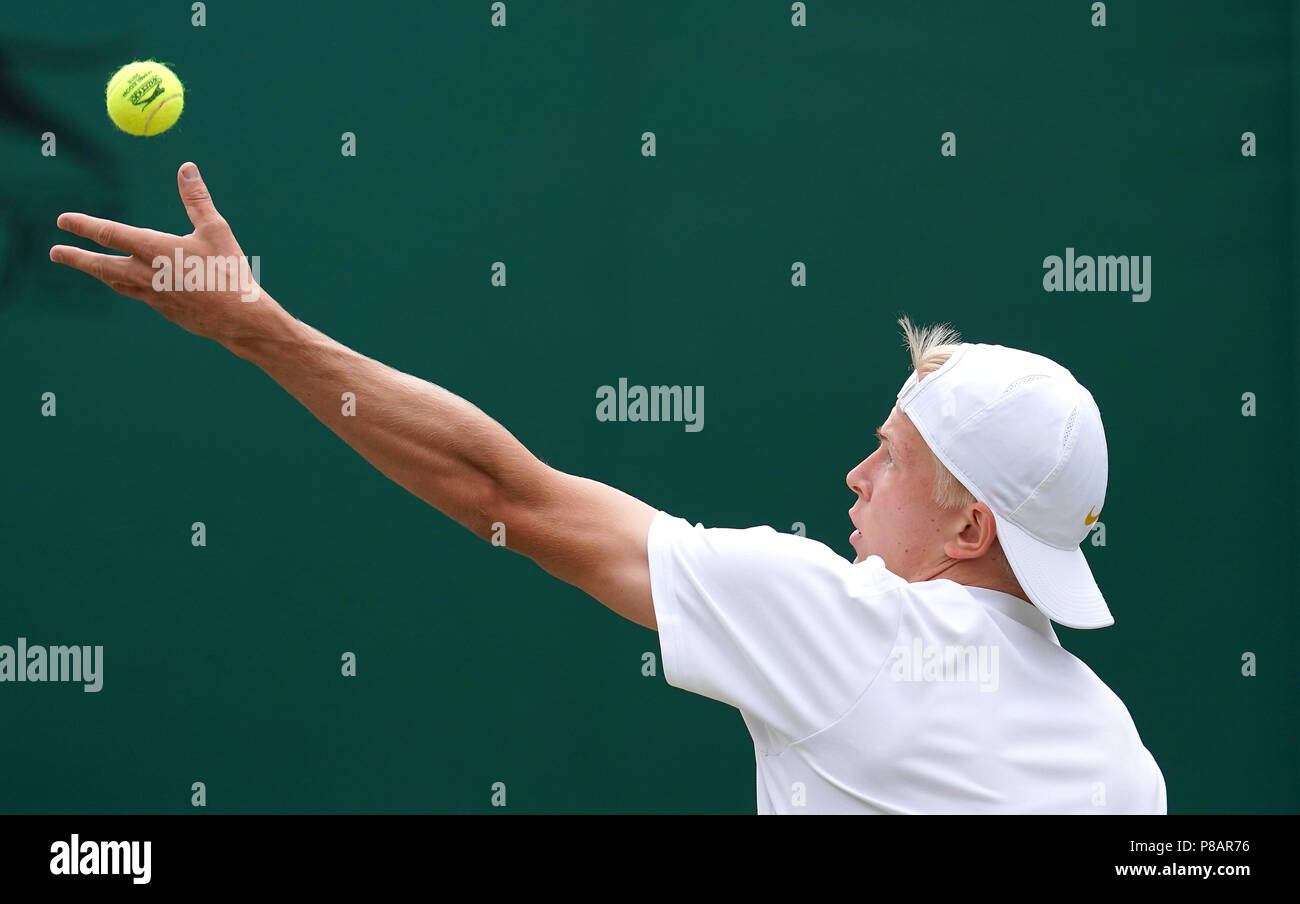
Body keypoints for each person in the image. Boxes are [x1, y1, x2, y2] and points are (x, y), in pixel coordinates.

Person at [49, 162, 1166, 814]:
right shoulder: (1121, 758)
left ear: (972, 523)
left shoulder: (853, 629)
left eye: (893, 456)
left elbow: (508, 494)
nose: (856, 474)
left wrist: (260, 329)